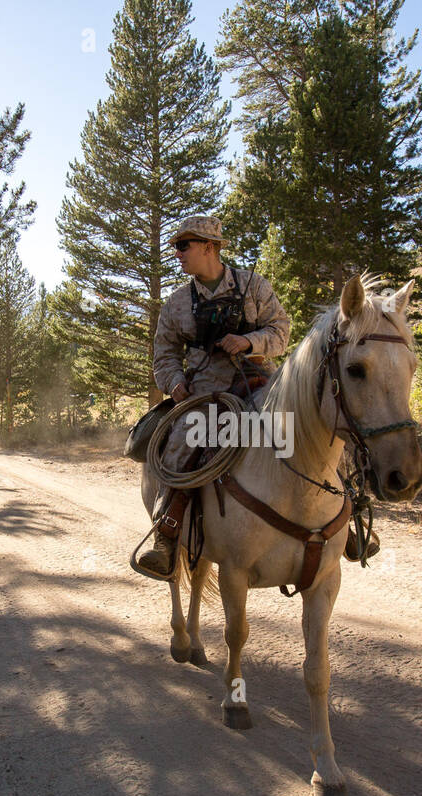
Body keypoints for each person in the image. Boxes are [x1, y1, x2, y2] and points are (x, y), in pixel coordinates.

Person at [135, 215, 289, 578]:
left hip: (257, 384)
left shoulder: (253, 286)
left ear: (209, 247)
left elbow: (281, 332)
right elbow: (164, 355)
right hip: (204, 391)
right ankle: (167, 534)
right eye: (176, 246)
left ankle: (347, 517)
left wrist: (250, 341)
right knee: (182, 441)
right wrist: (174, 383)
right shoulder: (176, 304)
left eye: (184, 245)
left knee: (301, 428)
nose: (178, 253)